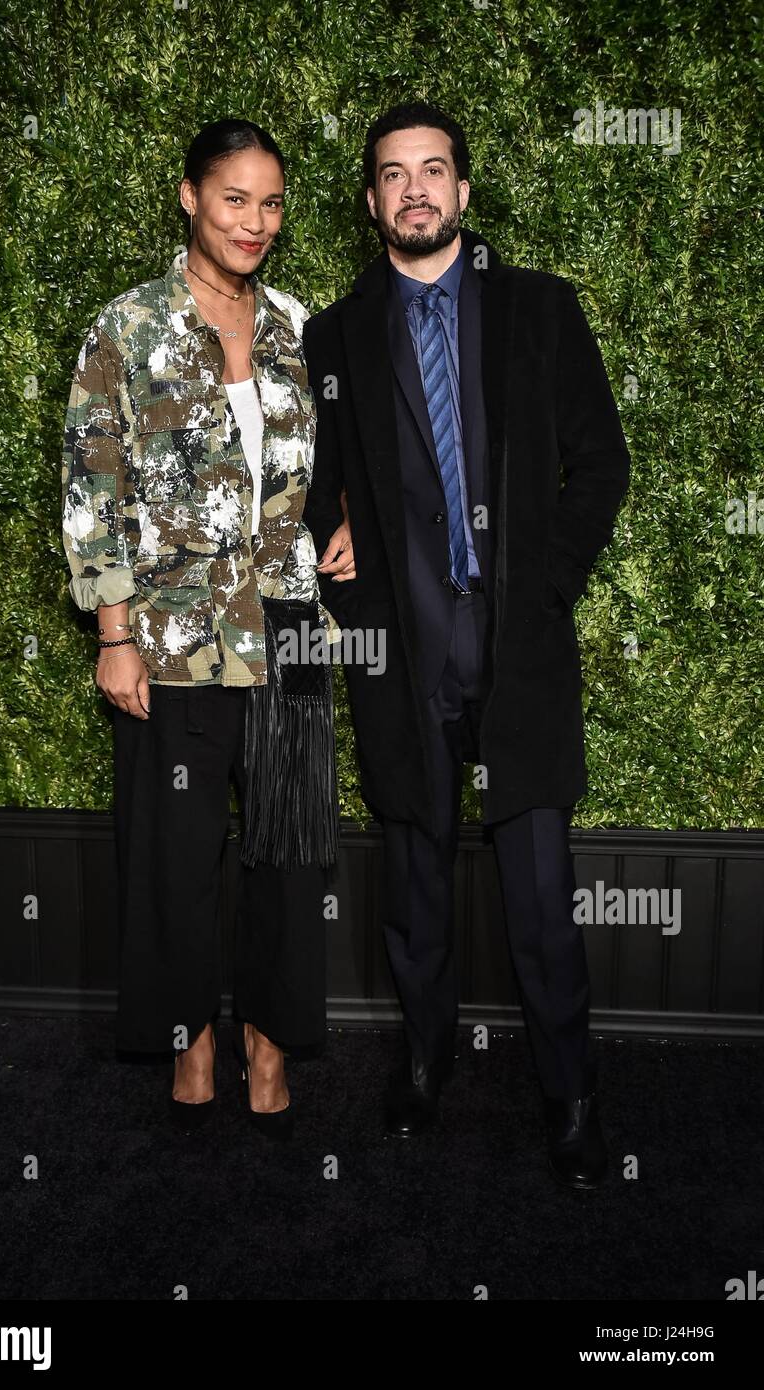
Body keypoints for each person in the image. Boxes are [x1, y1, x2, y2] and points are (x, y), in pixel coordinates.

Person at [303, 101, 631, 1186]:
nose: (416, 191)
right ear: (371, 201)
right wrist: (336, 529)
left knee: (541, 895)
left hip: (518, 646)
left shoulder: (540, 308)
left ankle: (571, 1094)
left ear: (464, 190)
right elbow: (314, 485)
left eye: (433, 170)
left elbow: (602, 464)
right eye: (394, 175)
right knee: (415, 883)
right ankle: (424, 1061)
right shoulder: (336, 335)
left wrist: (545, 590)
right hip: (404, 651)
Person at [60, 118, 346, 1140]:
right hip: (172, 640)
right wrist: (114, 635)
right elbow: (93, 486)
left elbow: (333, 459)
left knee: (290, 855)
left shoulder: (299, 326)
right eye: (235, 199)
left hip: (292, 631)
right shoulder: (127, 327)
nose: (254, 222)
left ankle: (270, 1041)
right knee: (175, 862)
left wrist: (346, 521)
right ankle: (192, 1044)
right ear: (190, 197)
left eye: (271, 203)